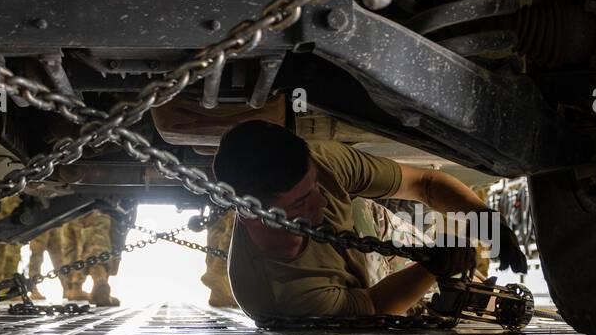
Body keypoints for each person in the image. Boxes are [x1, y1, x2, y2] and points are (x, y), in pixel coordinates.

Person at [212, 121, 526, 320]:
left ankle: (481, 294)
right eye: (300, 202)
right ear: (252, 213)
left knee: (472, 289)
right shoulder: (287, 296)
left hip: (367, 235)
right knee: (439, 308)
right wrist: (432, 268)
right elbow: (374, 305)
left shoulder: (322, 162)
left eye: (316, 186)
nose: (321, 201)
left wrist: (486, 220)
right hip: (355, 298)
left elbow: (424, 184)